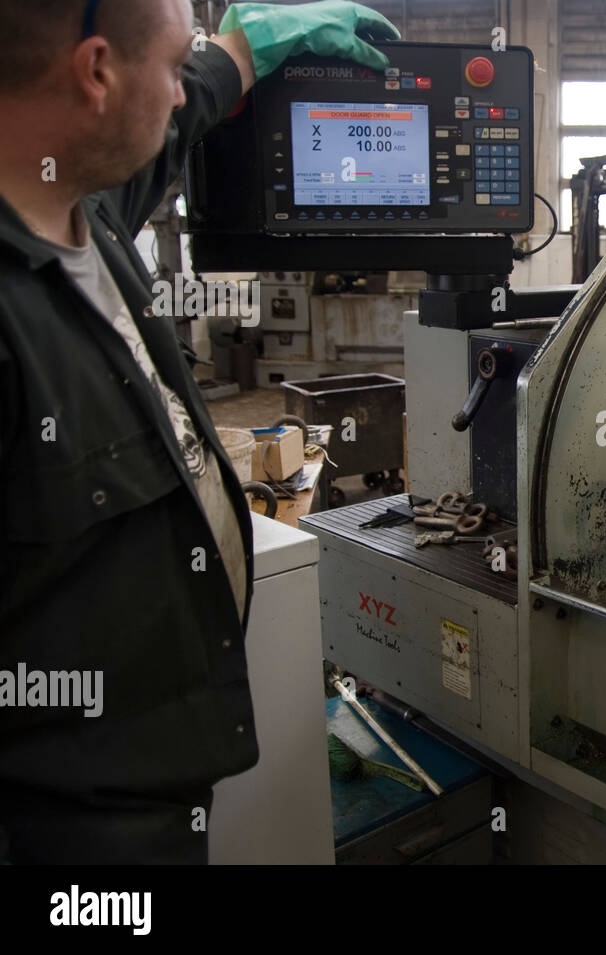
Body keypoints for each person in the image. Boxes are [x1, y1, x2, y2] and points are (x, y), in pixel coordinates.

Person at [0, 0, 398, 864]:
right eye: (176, 71)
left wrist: (239, 51)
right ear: (96, 72)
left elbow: (173, 133)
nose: (186, 97)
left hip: (159, 789)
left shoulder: (80, 212)